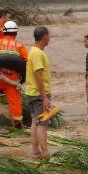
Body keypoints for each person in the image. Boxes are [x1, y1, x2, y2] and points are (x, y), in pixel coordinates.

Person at [25, 27, 53, 158]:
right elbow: (38, 75)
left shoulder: (34, 51)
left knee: (35, 122)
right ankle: (45, 152)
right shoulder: (37, 53)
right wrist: (45, 97)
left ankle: (36, 150)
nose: (50, 38)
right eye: (49, 36)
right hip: (38, 94)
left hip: (32, 92)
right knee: (42, 123)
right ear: (44, 37)